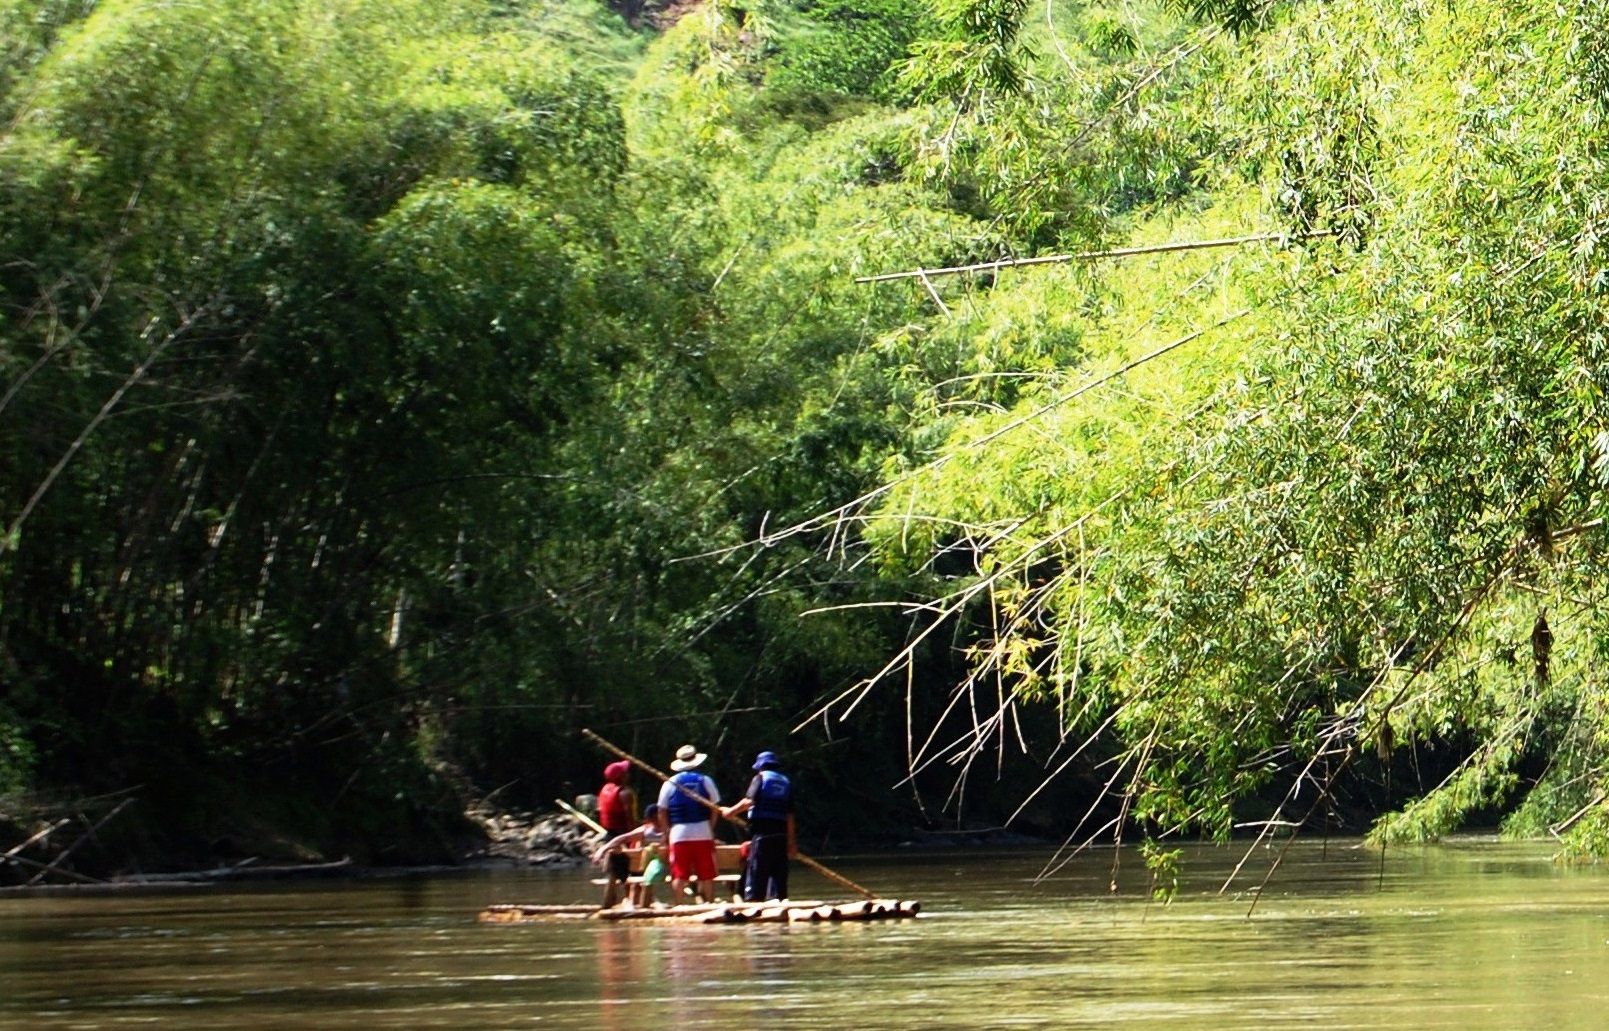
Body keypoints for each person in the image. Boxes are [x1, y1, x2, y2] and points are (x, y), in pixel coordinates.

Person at [722, 749, 796, 902]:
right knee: (778, 874)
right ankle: (779, 901)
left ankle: (754, 903)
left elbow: (749, 801)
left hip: (762, 834)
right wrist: (791, 842)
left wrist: (730, 812)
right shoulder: (786, 782)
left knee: (757, 872)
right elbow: (789, 816)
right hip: (781, 836)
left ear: (760, 767)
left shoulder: (760, 778)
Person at [656, 744, 721, 903]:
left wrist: (667, 832)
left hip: (679, 833)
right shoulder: (705, 780)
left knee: (679, 873)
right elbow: (715, 808)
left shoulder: (669, 782)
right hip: (703, 830)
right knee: (707, 874)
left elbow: (661, 811)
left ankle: (679, 906)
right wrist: (710, 827)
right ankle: (709, 904)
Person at [591, 803, 668, 908]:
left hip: (645, 868)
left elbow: (621, 838)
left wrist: (602, 849)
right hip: (663, 869)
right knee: (643, 866)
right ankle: (642, 900)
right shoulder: (671, 831)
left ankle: (630, 901)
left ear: (649, 818)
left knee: (634, 865)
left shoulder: (645, 831)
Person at [596, 759, 637, 908]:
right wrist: (634, 836)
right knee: (629, 870)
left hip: (609, 835)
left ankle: (611, 901)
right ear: (621, 776)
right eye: (625, 772)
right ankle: (629, 900)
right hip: (622, 835)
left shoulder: (605, 790)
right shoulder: (625, 793)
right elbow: (629, 818)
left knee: (614, 871)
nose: (628, 774)